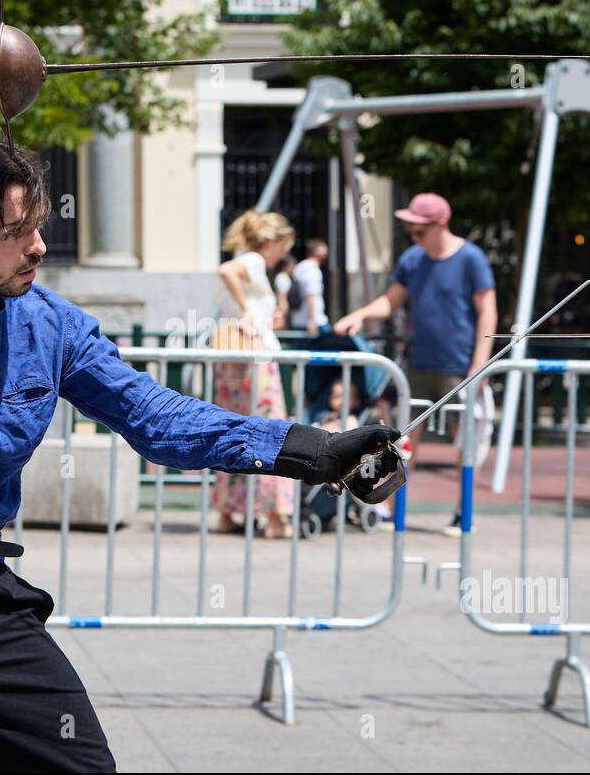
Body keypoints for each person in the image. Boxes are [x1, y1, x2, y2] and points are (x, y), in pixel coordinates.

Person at [0, 48, 398, 772]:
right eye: (15, 231)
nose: (39, 244)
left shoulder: (55, 326)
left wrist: (311, 450)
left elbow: (156, 418)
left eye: (39, 224)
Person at [335, 192, 496, 535]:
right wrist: (361, 314)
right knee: (404, 441)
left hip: (460, 367)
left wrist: (480, 365)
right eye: (410, 231)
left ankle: (463, 513)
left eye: (420, 231)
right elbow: (392, 301)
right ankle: (395, 511)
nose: (414, 237)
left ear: (441, 224)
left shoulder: (471, 259)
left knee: (467, 442)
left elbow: (487, 311)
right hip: (420, 364)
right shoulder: (412, 259)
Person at [211, 211, 298, 539]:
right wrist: (250, 312)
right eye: (282, 246)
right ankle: (275, 515)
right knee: (269, 429)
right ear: (270, 242)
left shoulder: (246, 262)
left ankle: (227, 511)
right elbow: (226, 271)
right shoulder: (254, 261)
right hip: (255, 358)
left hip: (235, 358)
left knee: (233, 429)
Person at [290, 239, 329, 334]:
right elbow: (310, 295)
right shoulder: (312, 269)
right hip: (313, 323)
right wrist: (312, 321)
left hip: (300, 320)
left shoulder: (300, 267)